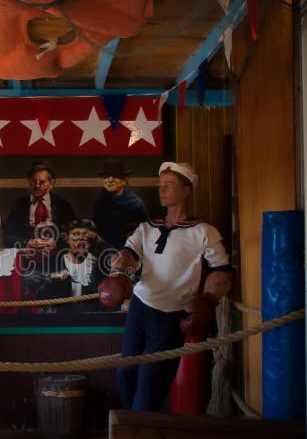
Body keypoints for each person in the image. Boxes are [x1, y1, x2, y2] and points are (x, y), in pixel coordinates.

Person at [98, 162, 233, 412]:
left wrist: (208, 300)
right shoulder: (146, 228)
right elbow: (128, 254)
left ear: (186, 190)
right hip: (141, 307)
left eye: (169, 185)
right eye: (161, 185)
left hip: (172, 315)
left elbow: (222, 272)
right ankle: (131, 428)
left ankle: (137, 432)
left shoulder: (204, 232)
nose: (162, 190)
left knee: (151, 380)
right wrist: (119, 274)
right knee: (126, 373)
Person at [37, 219, 109, 313]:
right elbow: (31, 282)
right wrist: (52, 276)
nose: (81, 238)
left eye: (85, 235)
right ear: (67, 239)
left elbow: (118, 261)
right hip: (61, 319)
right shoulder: (53, 263)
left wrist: (99, 240)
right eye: (76, 234)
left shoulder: (97, 265)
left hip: (90, 319)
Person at [3, 160, 77, 249]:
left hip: (55, 254)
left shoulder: (63, 205)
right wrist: (26, 243)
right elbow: (8, 235)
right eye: (34, 181)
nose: (37, 186)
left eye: (42, 182)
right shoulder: (18, 205)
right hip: (28, 254)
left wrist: (57, 244)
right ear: (29, 181)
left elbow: (74, 233)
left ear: (51, 183)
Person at [90, 158, 149, 248]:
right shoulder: (98, 204)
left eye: (115, 176)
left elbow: (146, 232)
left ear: (125, 180)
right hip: (103, 252)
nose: (110, 180)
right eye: (106, 176)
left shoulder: (136, 204)